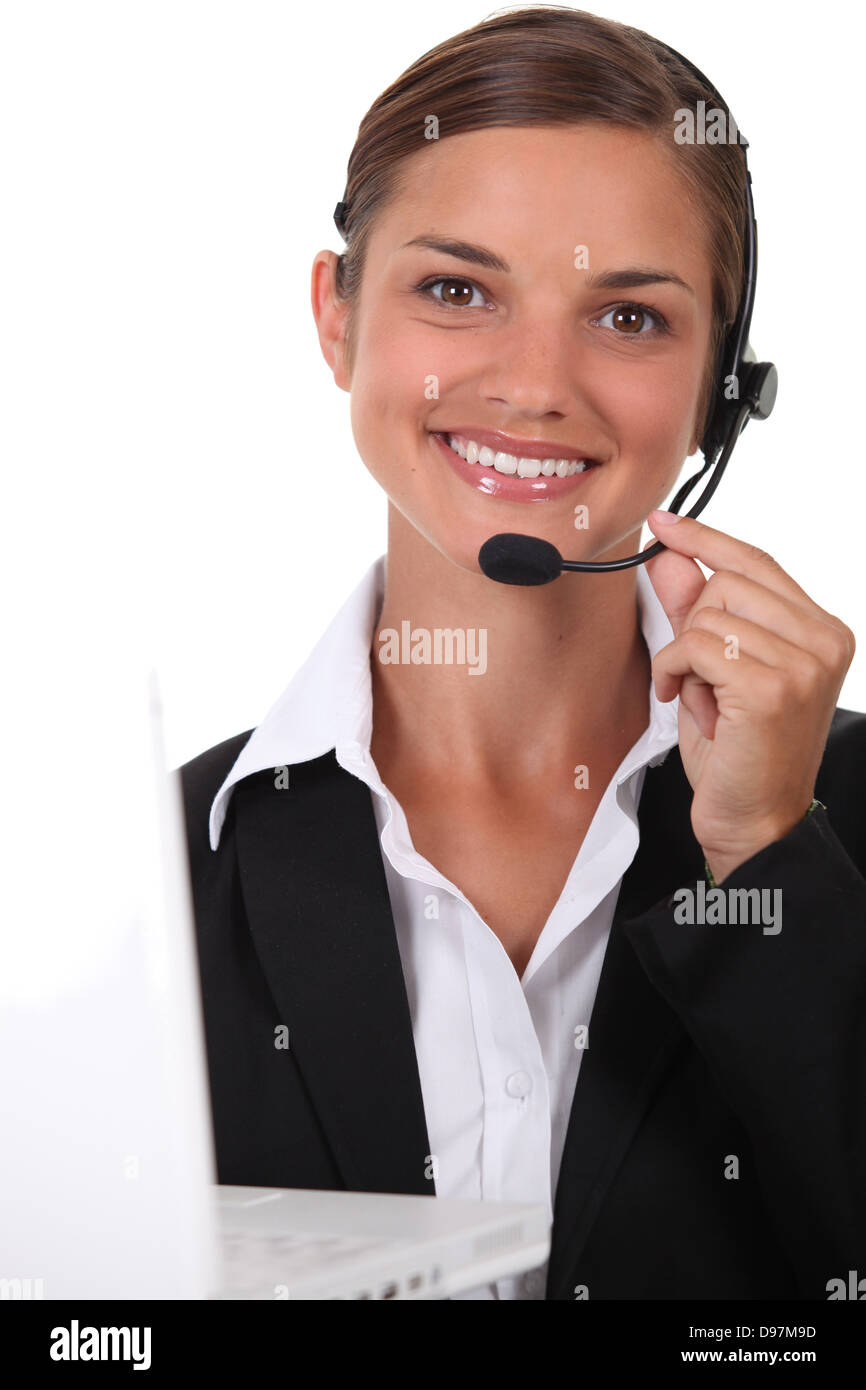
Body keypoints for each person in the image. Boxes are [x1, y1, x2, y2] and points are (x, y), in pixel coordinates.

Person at [180, 7, 866, 1299]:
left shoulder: (834, 832)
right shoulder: (148, 885)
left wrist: (767, 860)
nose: (534, 381)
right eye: (455, 290)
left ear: (723, 381)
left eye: (628, 318)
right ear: (337, 316)